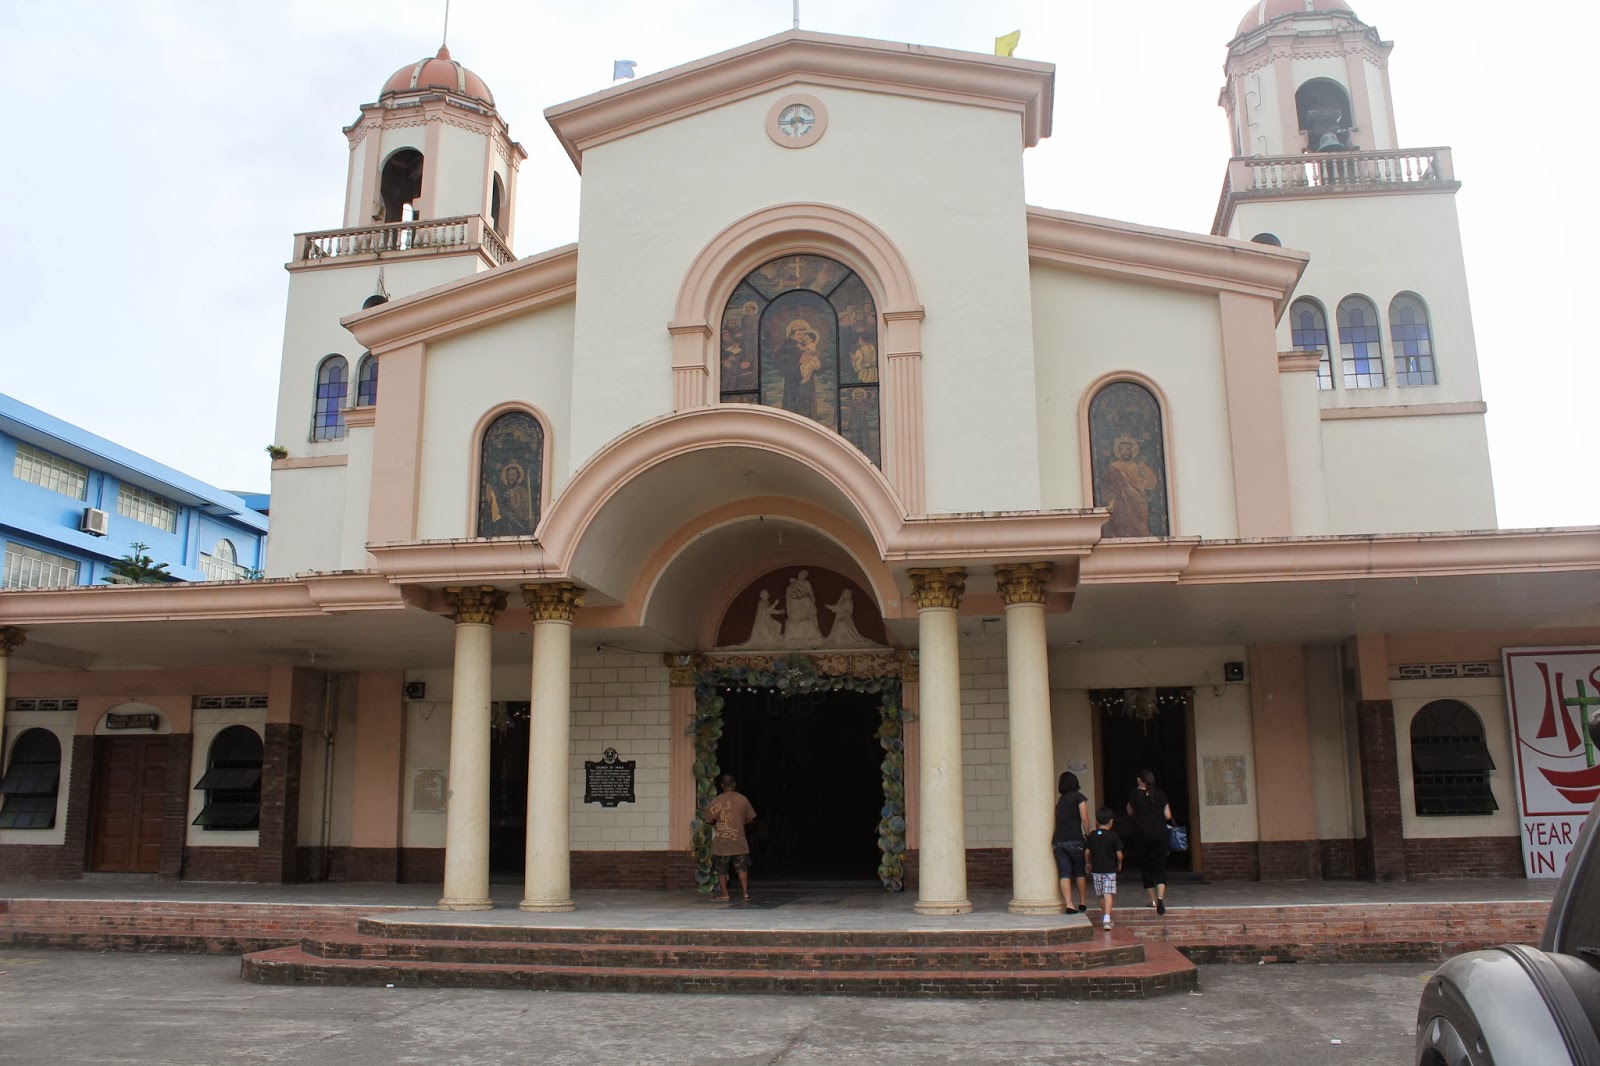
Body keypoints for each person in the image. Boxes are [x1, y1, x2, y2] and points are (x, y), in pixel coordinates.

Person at [704, 773, 757, 902]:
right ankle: (745, 893)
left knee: (721, 869)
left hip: (722, 842)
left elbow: (708, 820)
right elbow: (751, 818)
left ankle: (724, 894)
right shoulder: (743, 799)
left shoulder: (716, 801)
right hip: (738, 840)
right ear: (734, 785)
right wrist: (740, 822)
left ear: (722, 786)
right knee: (742, 868)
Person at [1127, 769, 1173, 914]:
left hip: (1142, 835)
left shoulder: (1134, 794)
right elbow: (1168, 815)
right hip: (1160, 834)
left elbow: (1129, 811)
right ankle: (1161, 897)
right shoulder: (1160, 793)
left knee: (1146, 867)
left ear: (1140, 780)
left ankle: (1153, 900)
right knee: (1161, 866)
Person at [1102, 434, 1159, 538]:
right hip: (1122, 500)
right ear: (1119, 451)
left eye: (1128, 449)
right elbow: (1111, 486)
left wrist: (1141, 482)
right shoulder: (1115, 467)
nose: (1126, 452)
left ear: (1132, 450)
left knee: (1140, 521)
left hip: (1138, 499)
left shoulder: (1139, 466)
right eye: (1123, 449)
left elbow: (1151, 483)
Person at [1051, 771, 1090, 913]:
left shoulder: (1060, 801)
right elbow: (1084, 818)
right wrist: (1088, 834)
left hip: (1059, 841)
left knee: (1065, 873)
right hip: (1075, 839)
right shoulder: (1079, 798)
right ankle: (1082, 902)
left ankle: (1069, 904)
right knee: (1079, 872)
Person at [1085, 806, 1123, 930]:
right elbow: (1119, 854)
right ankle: (1107, 918)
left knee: (1101, 895)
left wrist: (1088, 863)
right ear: (1111, 821)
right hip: (1109, 870)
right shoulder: (1113, 836)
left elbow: (1087, 852)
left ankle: (1105, 917)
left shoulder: (1092, 835)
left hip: (1097, 870)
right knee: (1108, 893)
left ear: (1096, 821)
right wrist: (1119, 863)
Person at [782, 569, 822, 645]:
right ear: (799, 574)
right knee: (796, 601)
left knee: (807, 599)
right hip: (794, 600)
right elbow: (789, 591)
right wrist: (794, 592)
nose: (802, 576)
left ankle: (805, 616)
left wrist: (811, 598)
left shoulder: (806, 583)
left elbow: (810, 593)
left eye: (804, 575)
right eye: (802, 574)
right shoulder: (792, 583)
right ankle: (796, 616)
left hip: (804, 600)